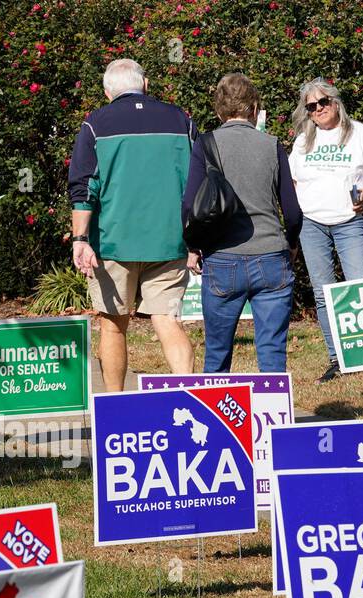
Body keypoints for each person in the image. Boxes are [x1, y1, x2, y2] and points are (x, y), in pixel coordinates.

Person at [68, 59, 196, 391]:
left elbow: (83, 187)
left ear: (107, 91)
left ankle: (115, 406)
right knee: (168, 321)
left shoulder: (95, 124)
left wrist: (80, 238)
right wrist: (196, 239)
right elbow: (198, 181)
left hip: (114, 243)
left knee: (113, 326)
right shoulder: (181, 120)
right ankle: (193, 400)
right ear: (146, 84)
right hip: (170, 241)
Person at [182, 73, 303, 373]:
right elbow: (292, 209)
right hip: (271, 256)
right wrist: (291, 243)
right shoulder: (272, 144)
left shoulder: (206, 144)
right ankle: (274, 417)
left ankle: (215, 418)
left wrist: (193, 246)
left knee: (217, 353)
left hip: (222, 259)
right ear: (253, 108)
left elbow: (189, 205)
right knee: (273, 352)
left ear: (219, 110)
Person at [288, 78, 363, 382]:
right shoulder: (302, 141)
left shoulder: (358, 133)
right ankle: (337, 359)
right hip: (311, 223)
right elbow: (293, 183)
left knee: (361, 289)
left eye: (323, 102)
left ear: (336, 102)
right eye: (311, 106)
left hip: (350, 220)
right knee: (323, 295)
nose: (318, 109)